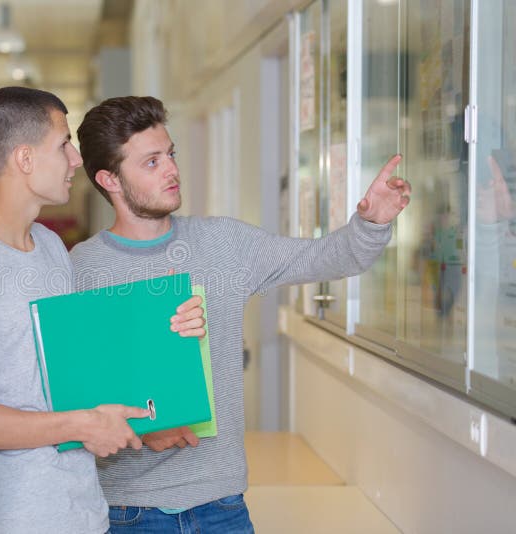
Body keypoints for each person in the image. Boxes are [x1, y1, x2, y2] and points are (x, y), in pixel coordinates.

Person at [71, 95, 411, 533]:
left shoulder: (223, 244)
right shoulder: (82, 268)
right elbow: (74, 398)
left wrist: (372, 223)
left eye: (170, 154)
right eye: (152, 162)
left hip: (221, 505)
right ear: (110, 180)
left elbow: (326, 258)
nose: (173, 169)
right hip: (128, 511)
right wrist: (138, 431)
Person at [0, 86, 204, 534]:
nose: (76, 160)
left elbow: (70, 379)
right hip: (17, 520)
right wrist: (80, 424)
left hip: (84, 512)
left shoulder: (51, 247)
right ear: (25, 159)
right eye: (63, 144)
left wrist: (143, 421)